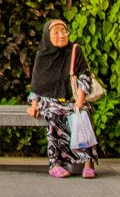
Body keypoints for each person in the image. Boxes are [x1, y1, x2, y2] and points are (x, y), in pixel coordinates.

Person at [25, 18, 98, 179]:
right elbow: (36, 84)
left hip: (73, 99)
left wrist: (79, 101)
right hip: (50, 100)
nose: (61, 35)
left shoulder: (74, 51)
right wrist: (34, 105)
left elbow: (84, 76)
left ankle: (88, 163)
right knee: (54, 115)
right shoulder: (42, 56)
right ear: (47, 36)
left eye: (63, 31)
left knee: (83, 113)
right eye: (56, 32)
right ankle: (55, 163)